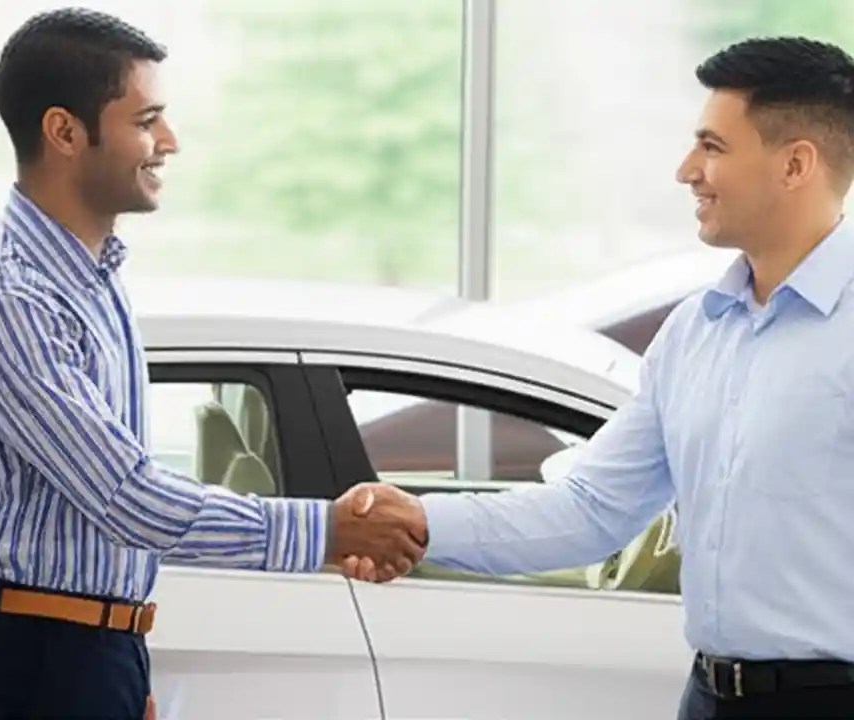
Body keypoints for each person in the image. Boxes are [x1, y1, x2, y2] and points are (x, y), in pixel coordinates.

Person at [0, 7, 426, 719]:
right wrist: (327, 531)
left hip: (84, 653)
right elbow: (129, 498)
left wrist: (119, 648)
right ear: (64, 131)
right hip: (32, 665)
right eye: (146, 119)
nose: (169, 141)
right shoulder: (7, 301)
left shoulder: (92, 277)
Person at [341, 36, 854, 719]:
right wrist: (421, 521)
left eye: (712, 147)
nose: (685, 171)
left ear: (795, 165)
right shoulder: (696, 331)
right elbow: (590, 509)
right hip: (708, 698)